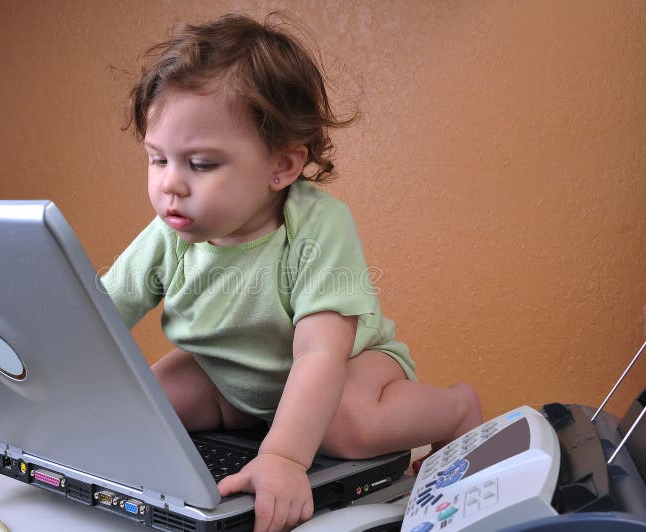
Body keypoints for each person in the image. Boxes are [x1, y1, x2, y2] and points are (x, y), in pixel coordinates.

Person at [100, 13, 482, 532]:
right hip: (228, 379)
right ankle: (264, 426)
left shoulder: (317, 227)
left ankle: (456, 409)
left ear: (281, 167)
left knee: (344, 425)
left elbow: (320, 354)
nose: (171, 185)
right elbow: (98, 316)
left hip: (349, 368)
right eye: (157, 159)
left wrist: (283, 457)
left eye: (201, 164)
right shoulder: (170, 232)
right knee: (146, 404)